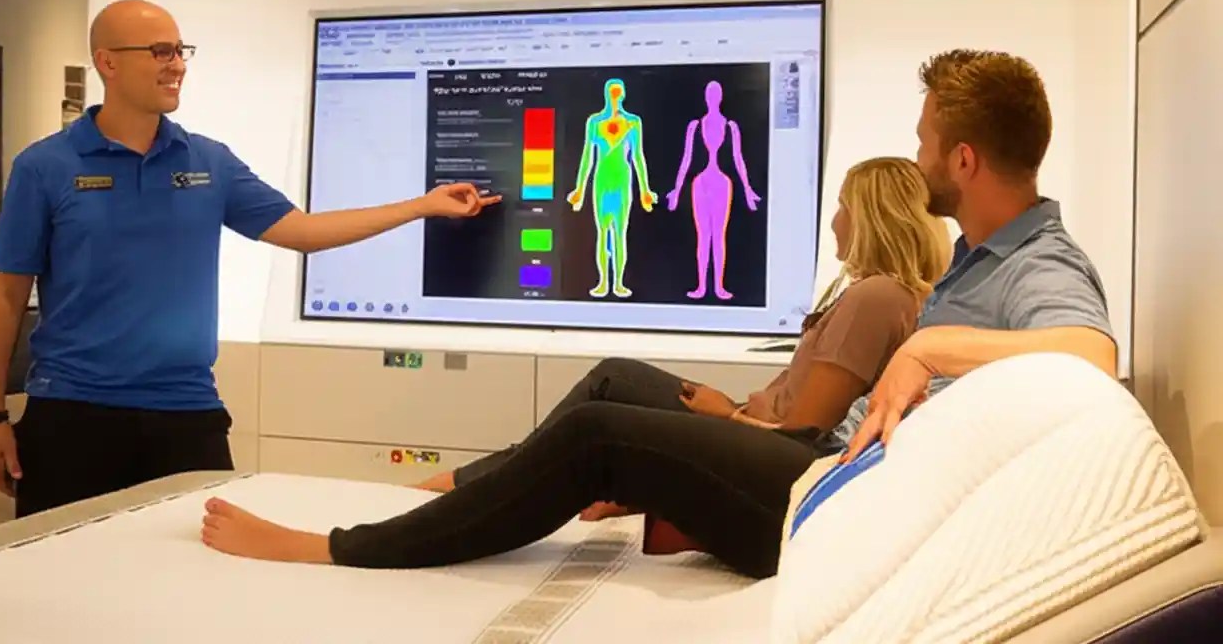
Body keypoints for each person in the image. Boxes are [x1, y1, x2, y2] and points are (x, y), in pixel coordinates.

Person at [198, 49, 1117, 579]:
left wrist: (936, 348)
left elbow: (1090, 356)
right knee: (623, 385)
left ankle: (341, 550)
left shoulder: (1041, 262)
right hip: (823, 475)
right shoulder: (975, 262)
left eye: (923, 141)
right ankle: (466, 495)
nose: (914, 160)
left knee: (604, 429)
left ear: (962, 160)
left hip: (828, 505)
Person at [0, 0, 500, 518]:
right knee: (65, 582)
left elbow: (303, 231)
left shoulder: (209, 162)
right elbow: (6, 295)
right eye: (160, 51)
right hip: (72, 413)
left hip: (186, 414)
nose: (176, 64)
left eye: (180, 51)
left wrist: (422, 206)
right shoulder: (45, 167)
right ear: (107, 62)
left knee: (192, 587)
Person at [413, 155, 951, 508]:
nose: (834, 221)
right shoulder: (889, 295)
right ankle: (481, 480)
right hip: (750, 425)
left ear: (871, 218)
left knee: (611, 385)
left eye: (842, 207)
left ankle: (470, 487)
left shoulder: (877, 298)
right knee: (607, 391)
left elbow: (805, 436)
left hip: (760, 446)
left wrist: (728, 415)